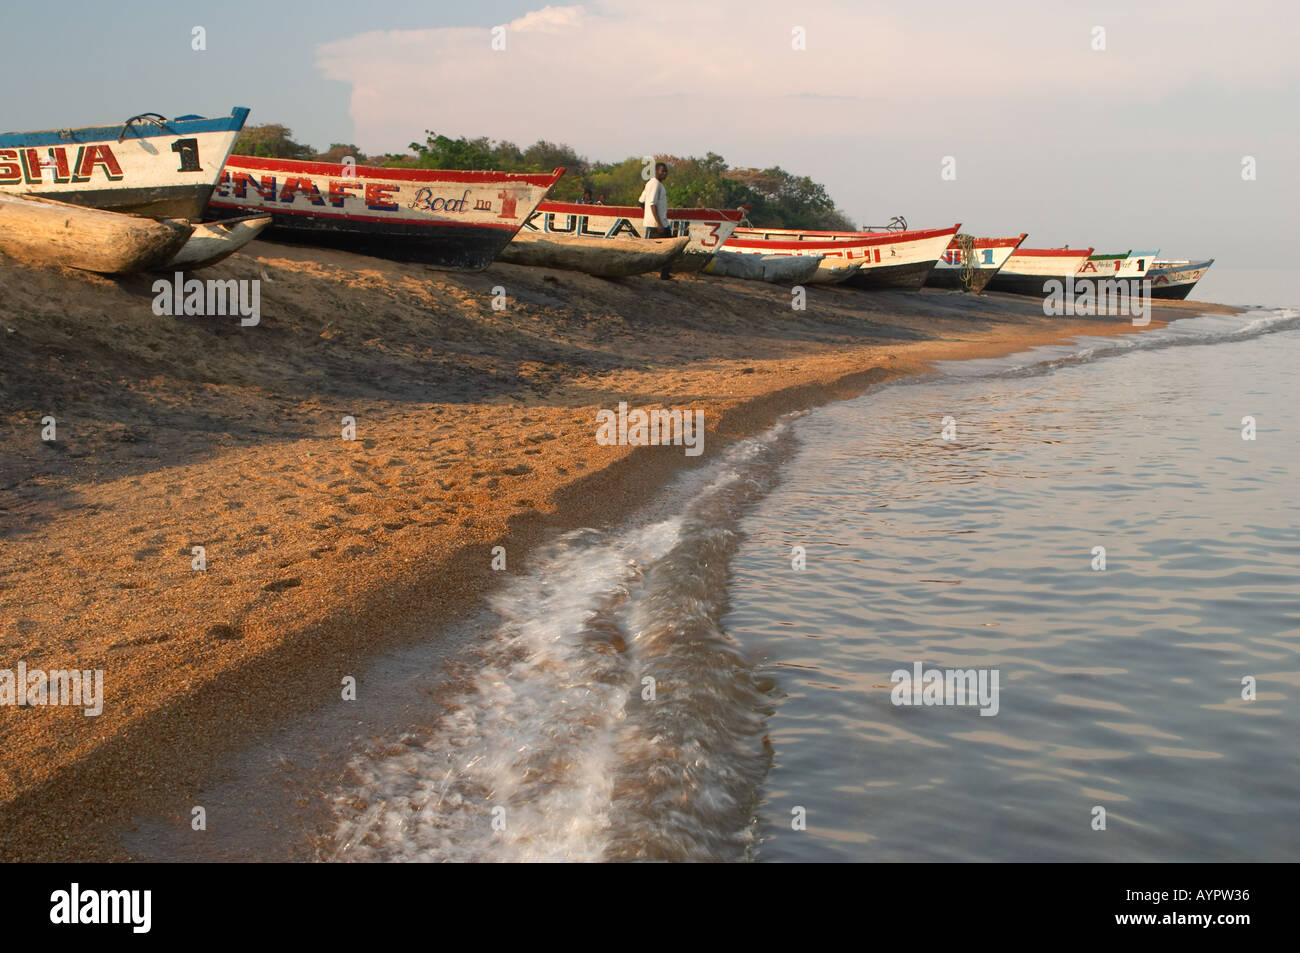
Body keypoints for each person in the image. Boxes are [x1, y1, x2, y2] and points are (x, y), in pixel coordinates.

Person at [638, 161, 673, 279]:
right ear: (656, 171)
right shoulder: (655, 184)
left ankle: (661, 272)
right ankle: (664, 274)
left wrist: (648, 214)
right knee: (668, 248)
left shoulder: (651, 183)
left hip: (655, 222)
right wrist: (658, 223)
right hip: (659, 223)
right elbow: (652, 204)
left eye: (666, 171)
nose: (665, 173)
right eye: (662, 171)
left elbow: (641, 201)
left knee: (652, 248)